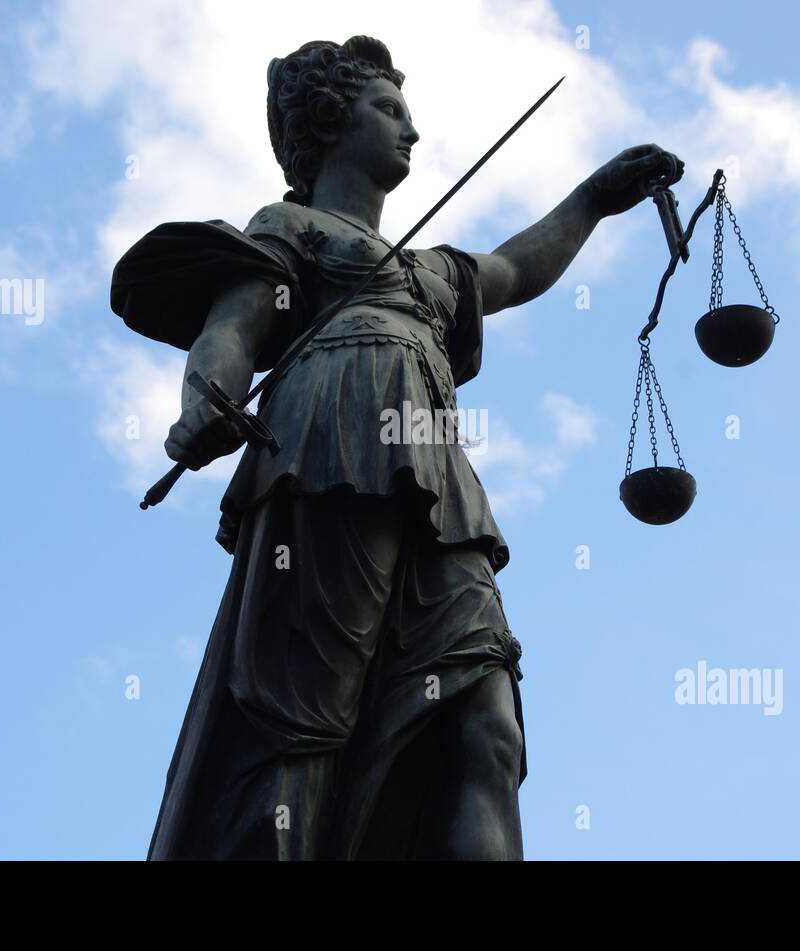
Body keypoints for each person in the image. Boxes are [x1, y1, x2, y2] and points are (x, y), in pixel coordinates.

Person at [111, 34, 683, 860]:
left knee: (485, 722)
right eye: (389, 110)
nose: (411, 131)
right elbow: (233, 326)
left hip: (440, 487)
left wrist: (594, 197)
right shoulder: (295, 227)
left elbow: (516, 270)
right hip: (330, 449)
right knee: (304, 726)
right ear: (331, 123)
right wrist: (208, 394)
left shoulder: (434, 274)